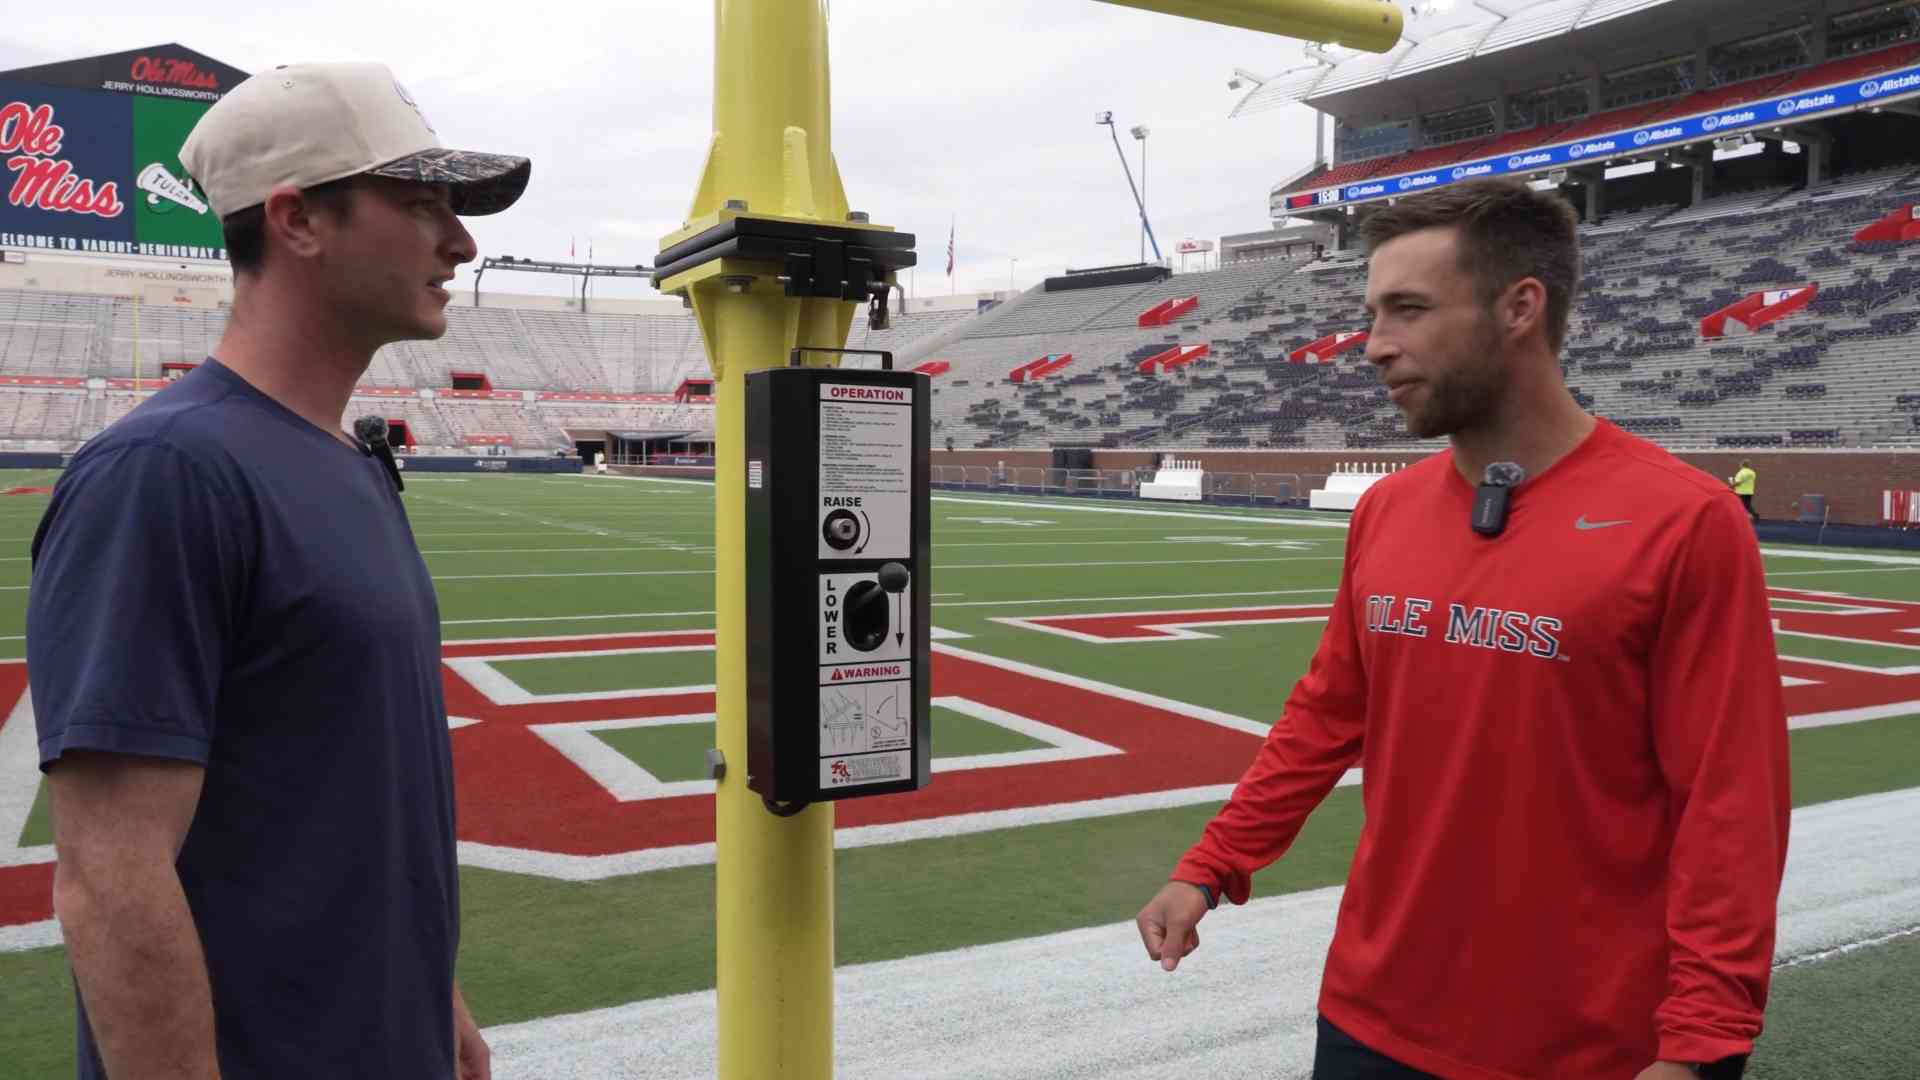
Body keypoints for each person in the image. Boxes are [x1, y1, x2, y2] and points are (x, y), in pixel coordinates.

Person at [1135, 178, 1790, 1080]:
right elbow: (1327, 713)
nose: (1373, 346)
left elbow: (1731, 806)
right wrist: (1210, 865)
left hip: (1587, 1043)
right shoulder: (1388, 510)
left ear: (1521, 307)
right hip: (1372, 1019)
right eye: (1372, 313)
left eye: (1408, 310)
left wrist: (1703, 1045)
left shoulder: (1686, 521)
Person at [27, 62, 529, 1080]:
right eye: (421, 202)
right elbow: (112, 872)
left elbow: (341, 793)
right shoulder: (168, 473)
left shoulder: (344, 461)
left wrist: (431, 992)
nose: (461, 242)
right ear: (298, 221)